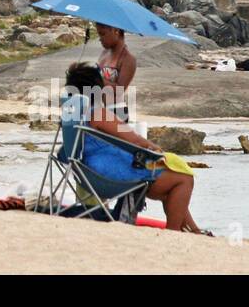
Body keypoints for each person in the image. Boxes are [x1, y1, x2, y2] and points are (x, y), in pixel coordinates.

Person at [63, 62, 203, 234]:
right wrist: (154, 148)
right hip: (113, 174)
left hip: (89, 171)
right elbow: (136, 140)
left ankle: (194, 231)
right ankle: (172, 233)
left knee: (170, 184)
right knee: (184, 179)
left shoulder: (74, 114)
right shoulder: (98, 113)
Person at [95, 23, 136, 89]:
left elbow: (119, 90)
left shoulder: (128, 60)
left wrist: (95, 78)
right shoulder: (104, 53)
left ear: (116, 30)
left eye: (102, 34)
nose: (100, 39)